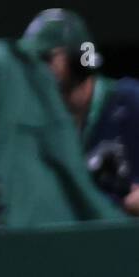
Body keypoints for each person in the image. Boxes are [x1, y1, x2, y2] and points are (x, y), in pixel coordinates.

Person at [22, 8, 139, 215]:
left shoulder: (130, 100)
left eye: (45, 58)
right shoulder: (39, 123)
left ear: (77, 58)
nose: (35, 70)